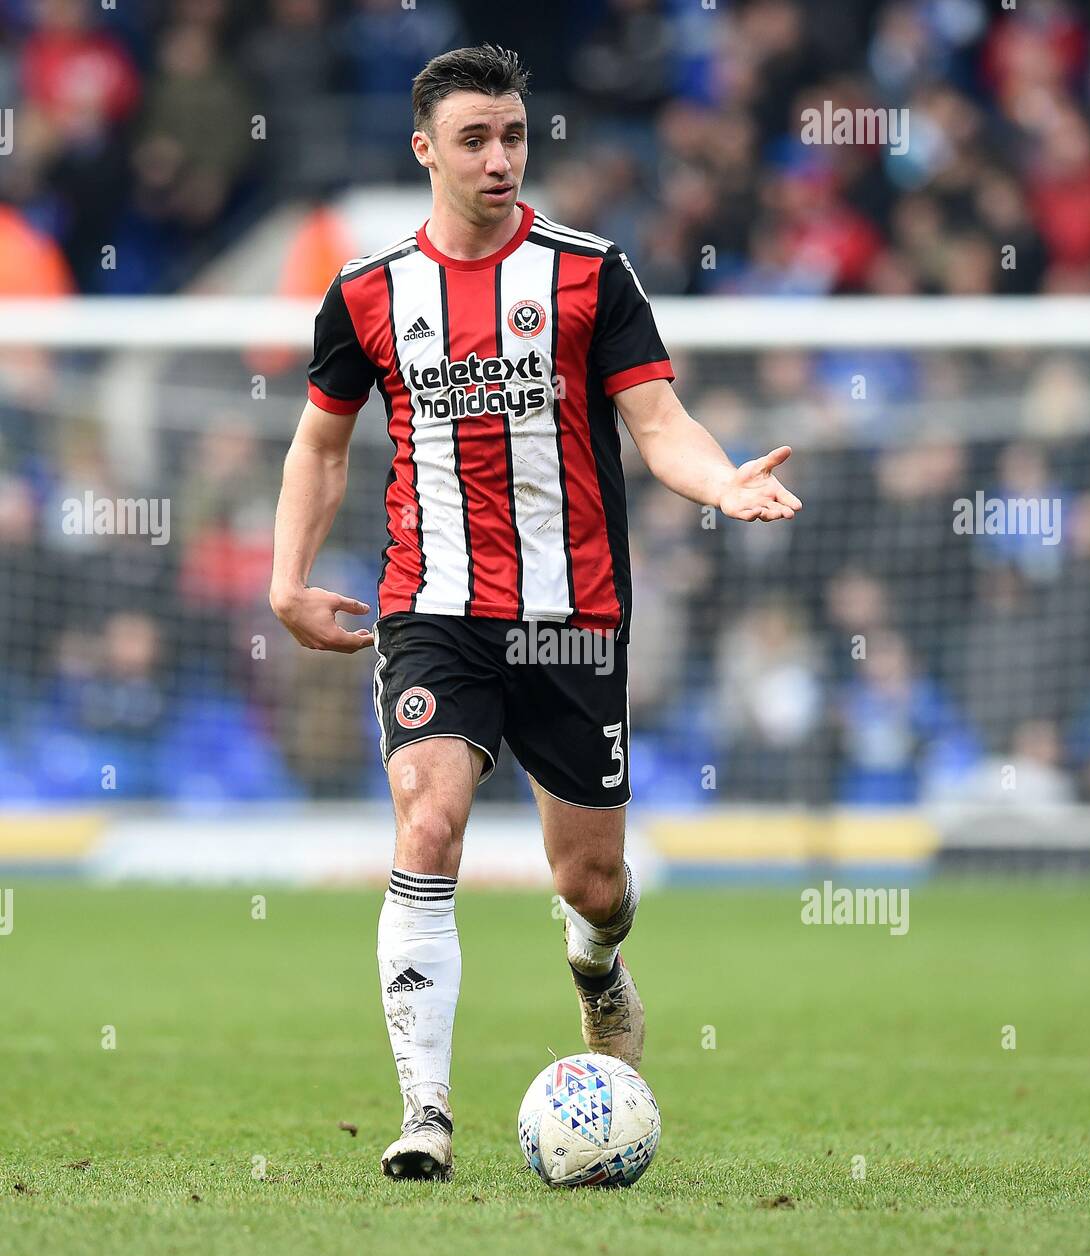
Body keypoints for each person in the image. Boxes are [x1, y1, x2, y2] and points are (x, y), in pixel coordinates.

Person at [270, 44, 801, 1181]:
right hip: (433, 608)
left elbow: (657, 424)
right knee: (426, 824)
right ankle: (425, 1117)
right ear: (425, 150)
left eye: (514, 135)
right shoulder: (368, 291)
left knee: (590, 882)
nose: (501, 157)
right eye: (475, 138)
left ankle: (596, 966)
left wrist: (720, 483)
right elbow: (320, 441)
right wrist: (286, 578)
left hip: (571, 614)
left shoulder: (589, 274)